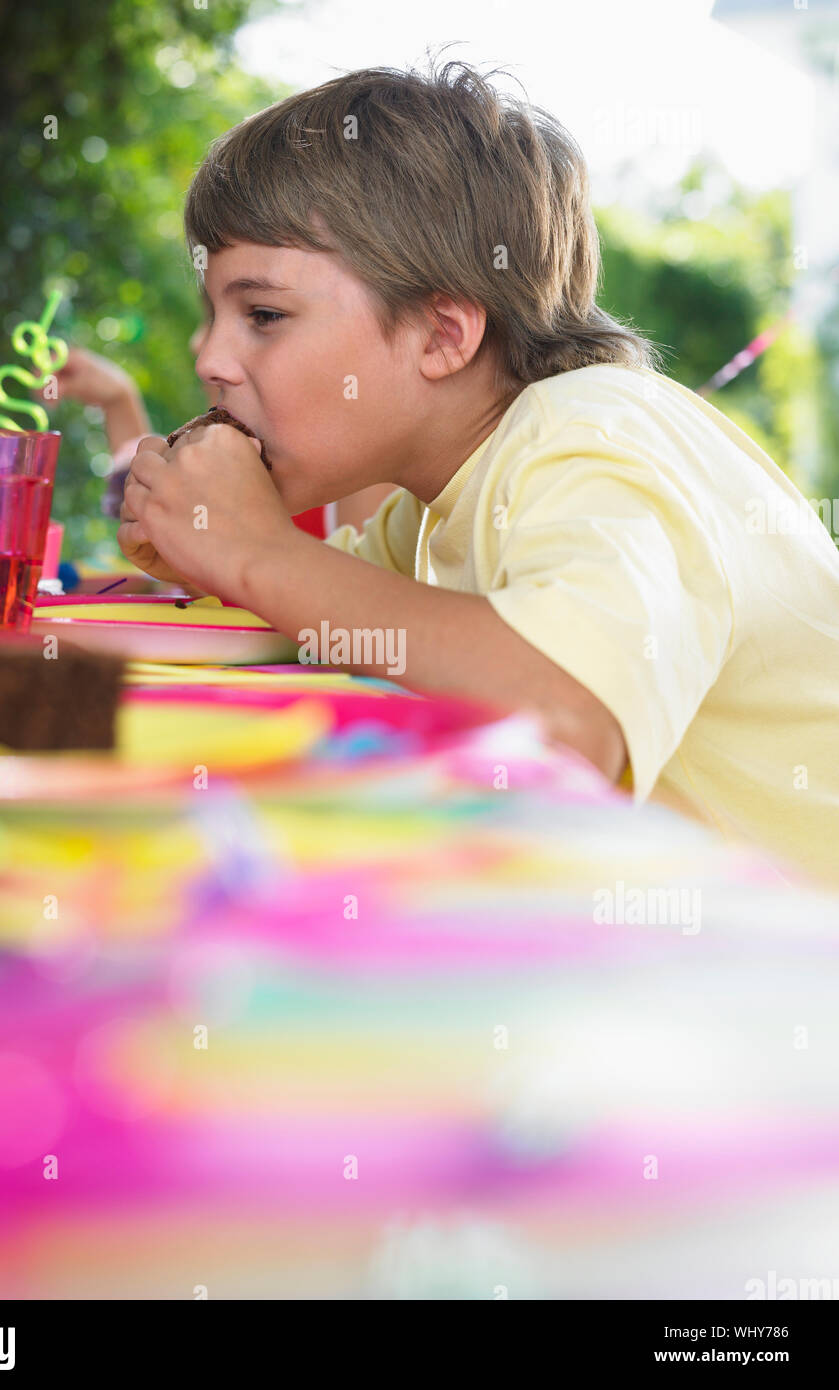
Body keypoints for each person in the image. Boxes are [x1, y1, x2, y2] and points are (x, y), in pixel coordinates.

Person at [116, 59, 839, 890]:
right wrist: (205, 553)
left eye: (264, 316)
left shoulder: (598, 436)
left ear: (442, 335)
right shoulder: (434, 508)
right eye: (213, 315)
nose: (209, 358)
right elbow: (322, 621)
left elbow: (566, 717)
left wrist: (257, 555)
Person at [46, 335, 396, 534]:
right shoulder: (239, 465)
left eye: (262, 316)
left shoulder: (365, 479)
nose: (199, 345)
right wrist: (119, 401)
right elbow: (151, 492)